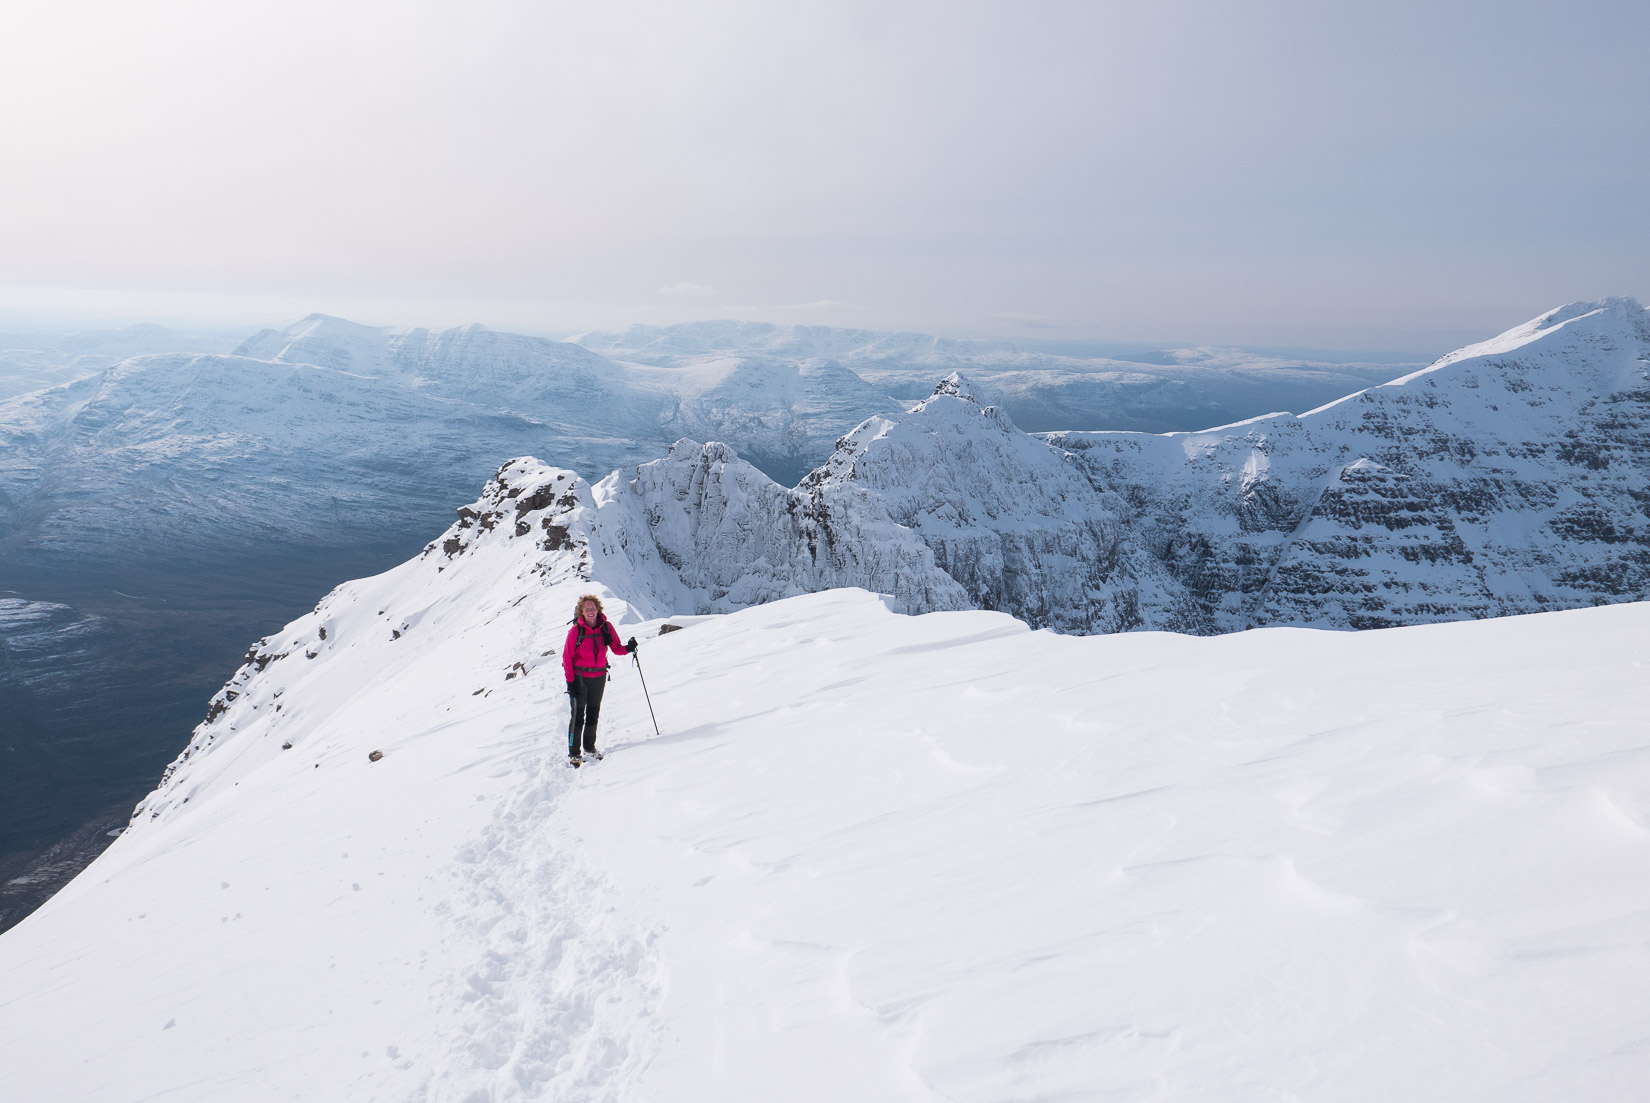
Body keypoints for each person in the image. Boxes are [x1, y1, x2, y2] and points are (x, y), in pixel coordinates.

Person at [562, 594, 638, 765]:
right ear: (581, 611)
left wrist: (628, 648)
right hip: (580, 678)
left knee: (593, 714)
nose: (590, 611)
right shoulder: (576, 631)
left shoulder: (606, 628)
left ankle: (589, 747)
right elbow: (567, 658)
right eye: (587, 609)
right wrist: (570, 681)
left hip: (599, 677)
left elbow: (616, 648)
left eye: (593, 608)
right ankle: (574, 753)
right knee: (577, 717)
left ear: (598, 609)